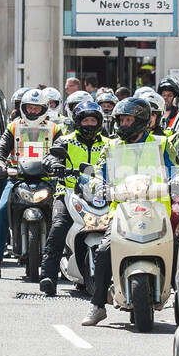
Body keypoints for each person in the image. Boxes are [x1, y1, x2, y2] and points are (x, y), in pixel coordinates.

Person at [82, 97, 178, 327]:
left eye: (127, 120)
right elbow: (96, 174)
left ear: (142, 121)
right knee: (104, 250)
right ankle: (97, 306)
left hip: (157, 210)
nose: (122, 124)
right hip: (122, 212)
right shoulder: (111, 147)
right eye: (120, 120)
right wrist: (97, 186)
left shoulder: (162, 144)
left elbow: (175, 169)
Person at [0, 89, 63, 278]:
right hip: (17, 177)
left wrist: (58, 162)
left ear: (44, 109)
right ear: (23, 108)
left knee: (61, 215)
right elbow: (2, 149)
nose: (33, 111)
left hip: (47, 178)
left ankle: (63, 263)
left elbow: (60, 147)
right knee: (2, 210)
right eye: (30, 108)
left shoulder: (55, 128)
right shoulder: (13, 126)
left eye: (37, 108)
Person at [39, 100, 108, 296]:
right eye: (85, 120)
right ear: (78, 122)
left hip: (101, 194)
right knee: (59, 226)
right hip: (69, 193)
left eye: (93, 120)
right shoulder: (66, 140)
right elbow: (49, 157)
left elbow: (121, 157)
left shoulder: (108, 142)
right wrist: (53, 164)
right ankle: (48, 276)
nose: (89, 124)